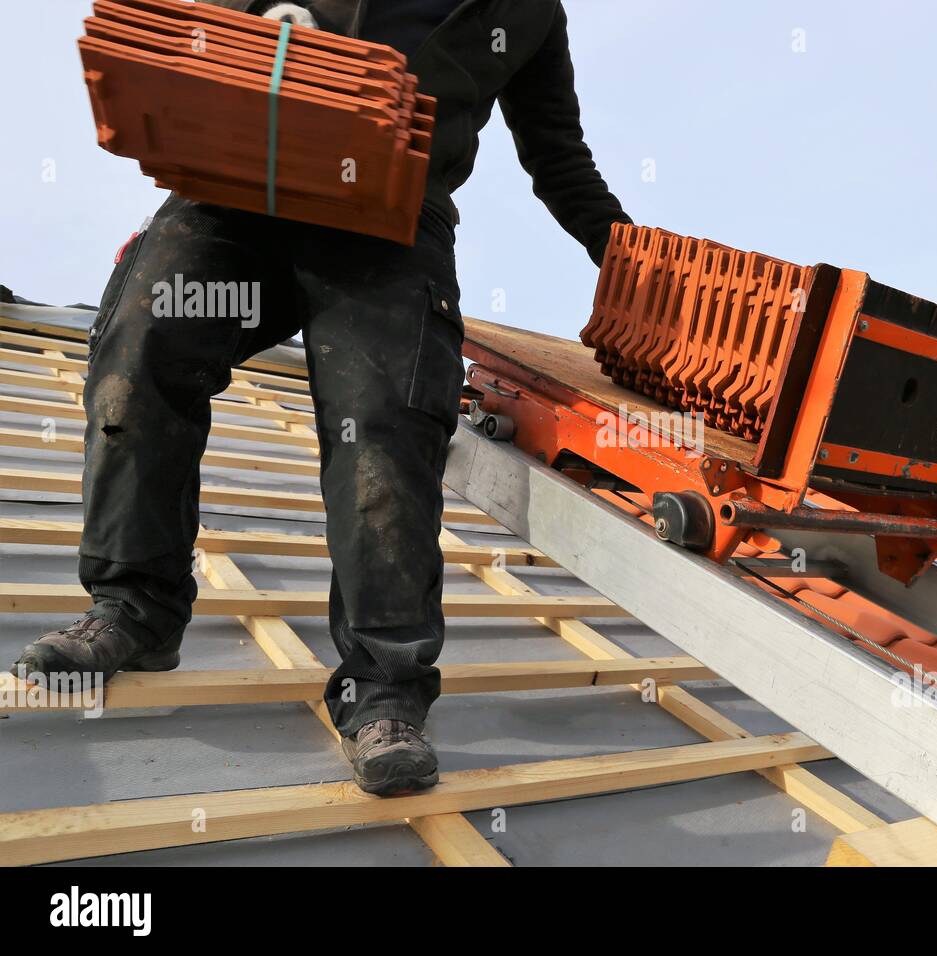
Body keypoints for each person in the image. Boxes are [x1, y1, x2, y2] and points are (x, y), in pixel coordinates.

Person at [11, 0, 631, 796]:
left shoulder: (528, 12)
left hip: (392, 224)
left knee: (383, 430)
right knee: (141, 351)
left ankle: (385, 690)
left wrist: (630, 263)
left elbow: (558, 155)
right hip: (236, 189)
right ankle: (135, 610)